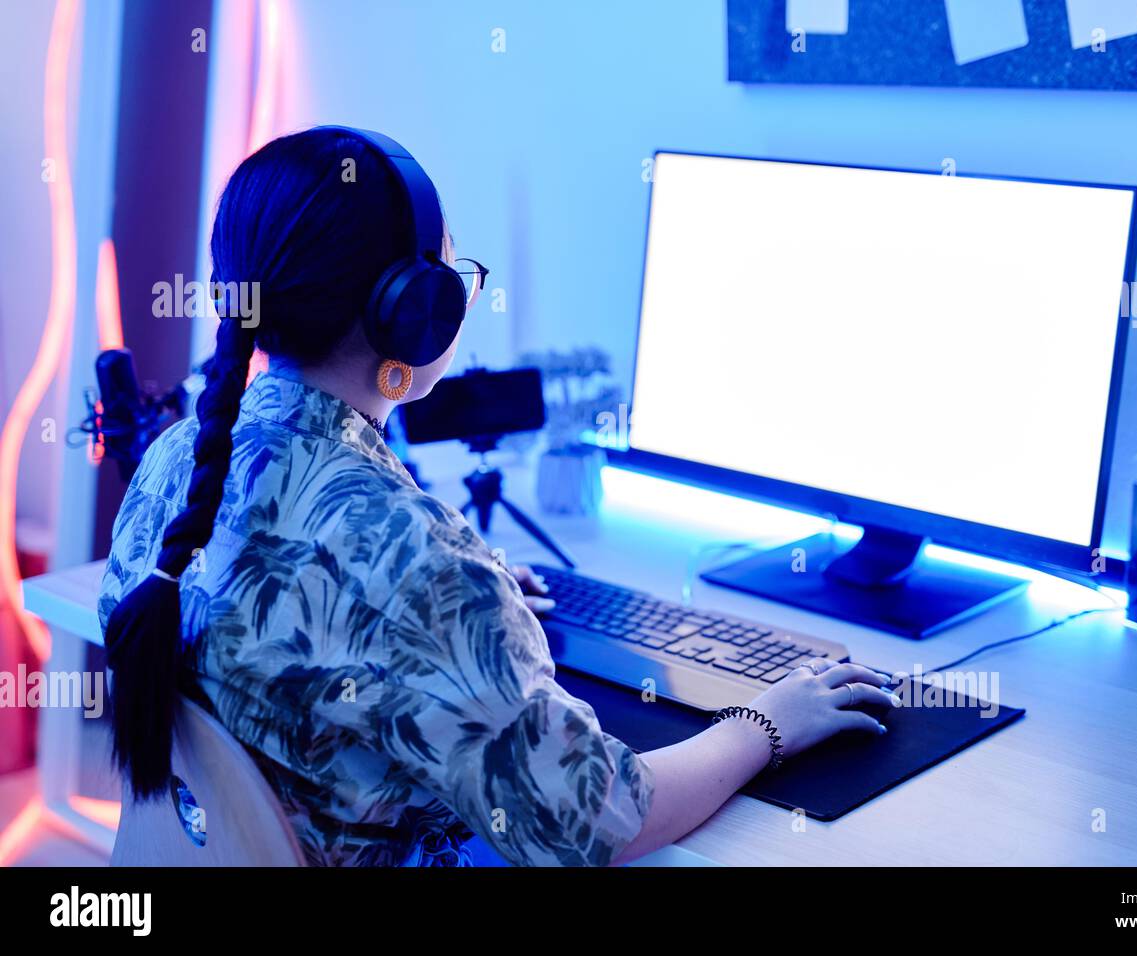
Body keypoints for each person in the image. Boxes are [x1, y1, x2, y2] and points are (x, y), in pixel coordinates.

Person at [99, 126, 895, 867]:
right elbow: (595, 819)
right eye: (452, 272)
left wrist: (457, 614)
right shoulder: (418, 564)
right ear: (417, 313)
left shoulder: (173, 464)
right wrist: (766, 725)